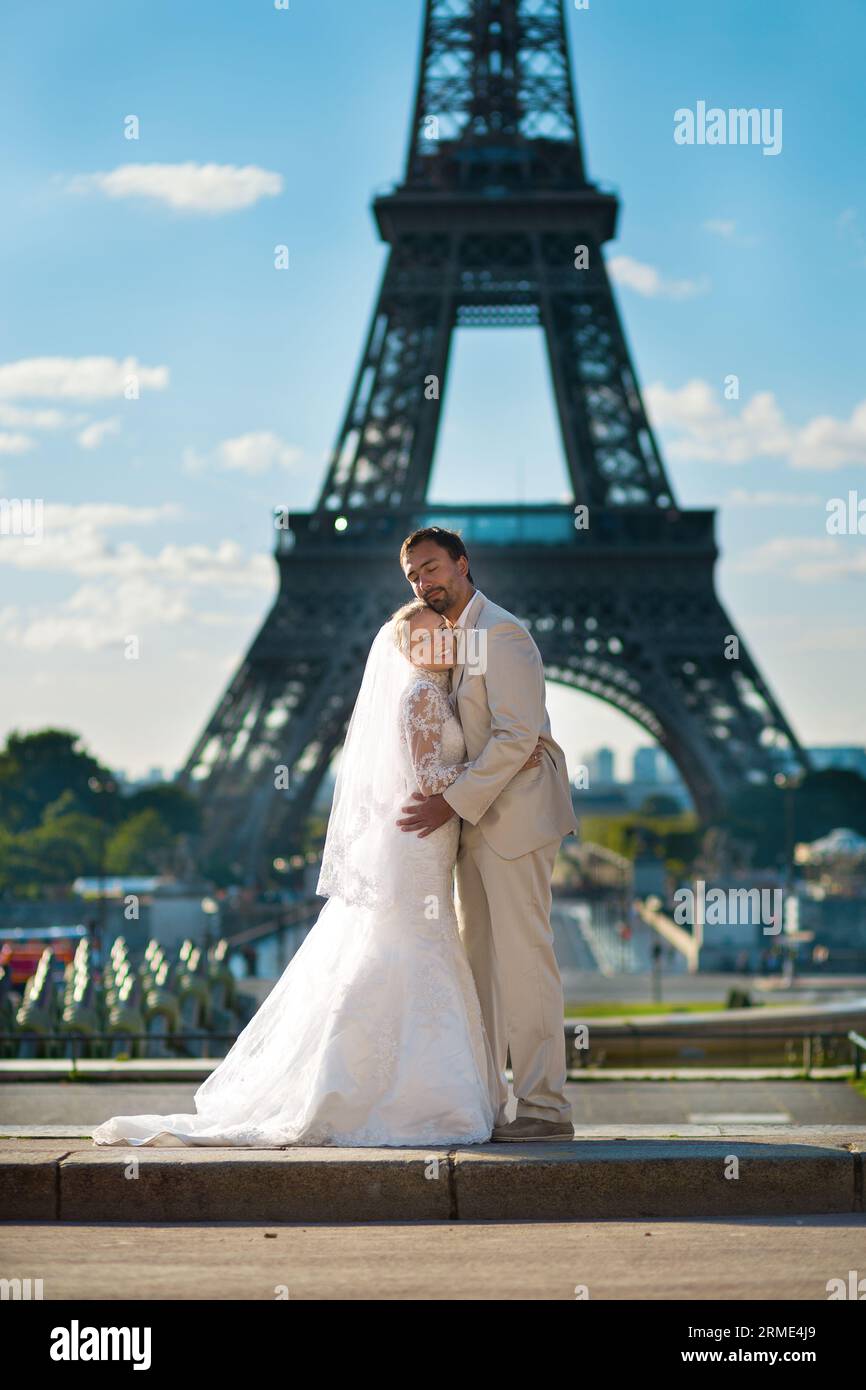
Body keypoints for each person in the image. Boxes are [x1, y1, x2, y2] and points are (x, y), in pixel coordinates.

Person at [91, 600, 541, 1148]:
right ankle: (396, 1093)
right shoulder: (421, 694)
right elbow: (428, 778)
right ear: (403, 650)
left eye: (442, 633)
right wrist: (490, 770)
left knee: (410, 949)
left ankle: (383, 1086)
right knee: (411, 949)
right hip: (418, 839)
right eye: (425, 638)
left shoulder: (440, 690)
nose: (441, 642)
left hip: (425, 842)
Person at [398, 526, 578, 1142]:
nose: (425, 582)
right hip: (474, 820)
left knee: (524, 963)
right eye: (415, 576)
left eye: (432, 568)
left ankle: (545, 1108)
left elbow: (516, 735)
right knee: (479, 973)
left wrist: (451, 800)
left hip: (515, 818)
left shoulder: (500, 632)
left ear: (463, 564)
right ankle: (490, 1100)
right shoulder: (446, 641)